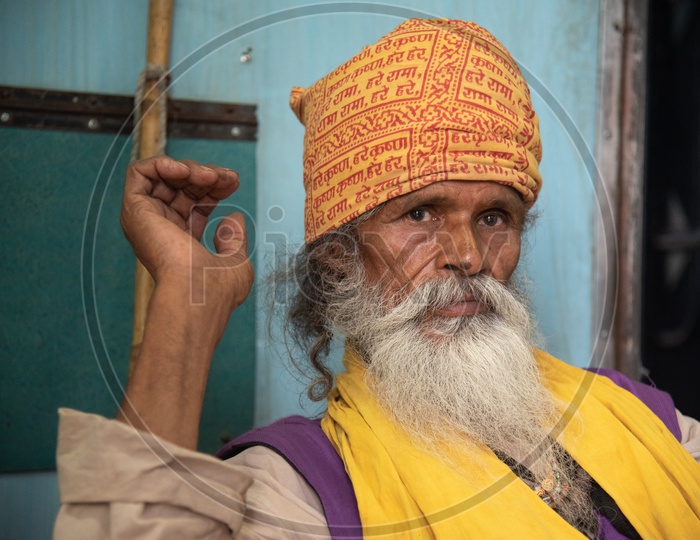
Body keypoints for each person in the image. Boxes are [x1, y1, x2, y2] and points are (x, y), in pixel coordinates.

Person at [55, 18, 700, 539]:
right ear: (337, 255)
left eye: (495, 217)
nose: (468, 255)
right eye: (419, 213)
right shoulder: (307, 491)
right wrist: (186, 301)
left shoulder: (648, 421)